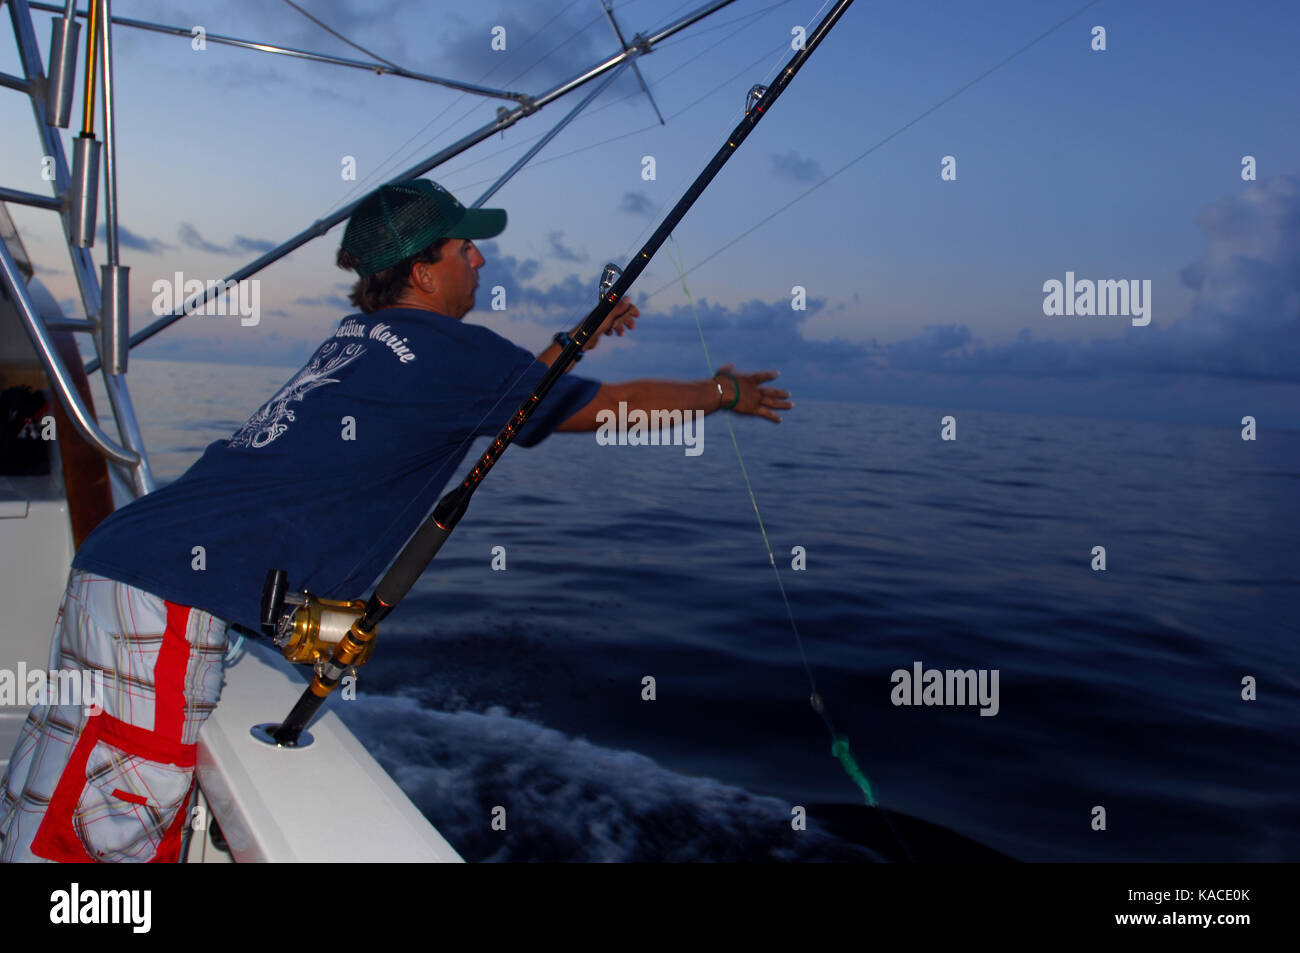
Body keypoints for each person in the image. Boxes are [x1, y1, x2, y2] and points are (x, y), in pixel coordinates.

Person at [0, 178, 792, 863]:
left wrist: (568, 339)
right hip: (163, 610)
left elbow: (498, 396)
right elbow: (600, 408)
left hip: (129, 566)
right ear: (422, 269)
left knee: (56, 783)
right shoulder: (450, 357)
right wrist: (720, 394)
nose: (478, 258)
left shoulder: (358, 340)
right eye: (462, 248)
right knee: (95, 839)